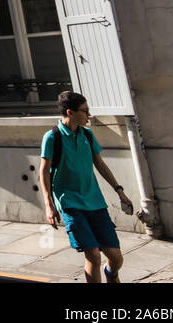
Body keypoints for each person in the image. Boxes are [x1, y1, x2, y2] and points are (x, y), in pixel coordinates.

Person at [39, 91, 132, 283]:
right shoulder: (52, 137)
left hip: (94, 201)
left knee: (115, 257)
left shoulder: (87, 135)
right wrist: (49, 205)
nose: (89, 115)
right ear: (70, 112)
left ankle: (111, 274)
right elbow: (44, 172)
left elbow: (100, 164)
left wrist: (119, 190)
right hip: (70, 203)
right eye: (85, 111)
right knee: (93, 254)